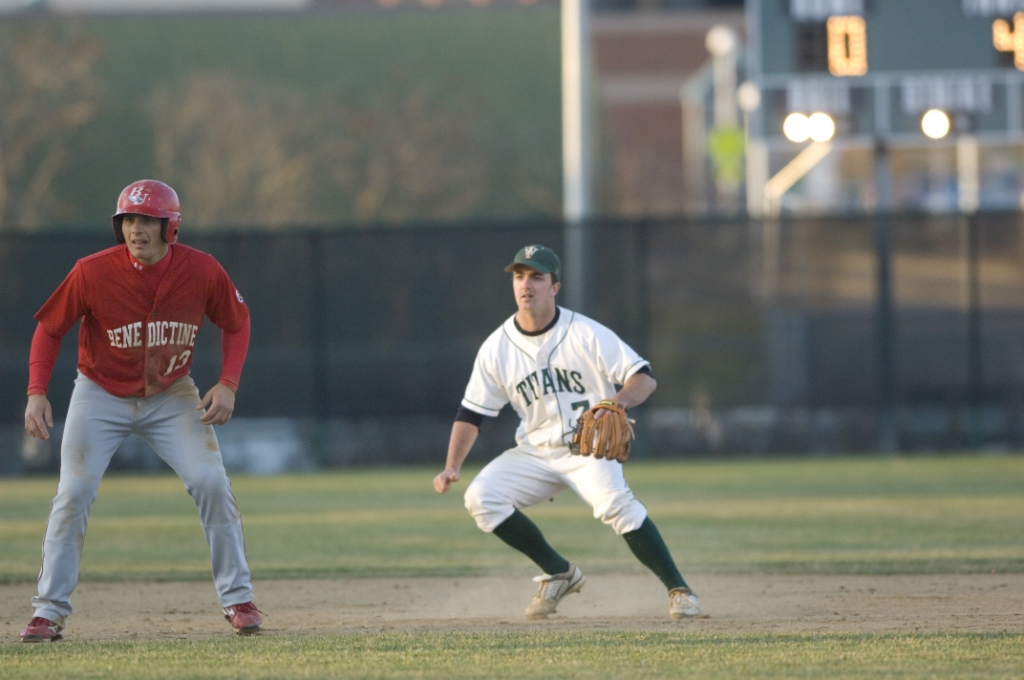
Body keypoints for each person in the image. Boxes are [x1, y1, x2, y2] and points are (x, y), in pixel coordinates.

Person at [20, 180, 262, 641]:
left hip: (172, 394)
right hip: (100, 392)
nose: (137, 229)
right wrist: (37, 391)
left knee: (211, 481)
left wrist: (228, 384)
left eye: (148, 220)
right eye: (129, 220)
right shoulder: (91, 272)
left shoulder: (202, 269)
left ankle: (239, 601)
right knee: (73, 494)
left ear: (171, 227)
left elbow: (237, 321)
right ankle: (48, 612)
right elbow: (50, 329)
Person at [433, 244, 702, 620]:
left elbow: (644, 377)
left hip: (589, 447)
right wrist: (451, 465)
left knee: (616, 505)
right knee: (482, 497)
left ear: (554, 287)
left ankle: (680, 591)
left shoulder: (586, 333)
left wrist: (619, 403)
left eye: (536, 277)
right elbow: (472, 412)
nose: (526, 285)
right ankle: (559, 572)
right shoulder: (496, 348)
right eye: (519, 276)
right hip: (536, 452)